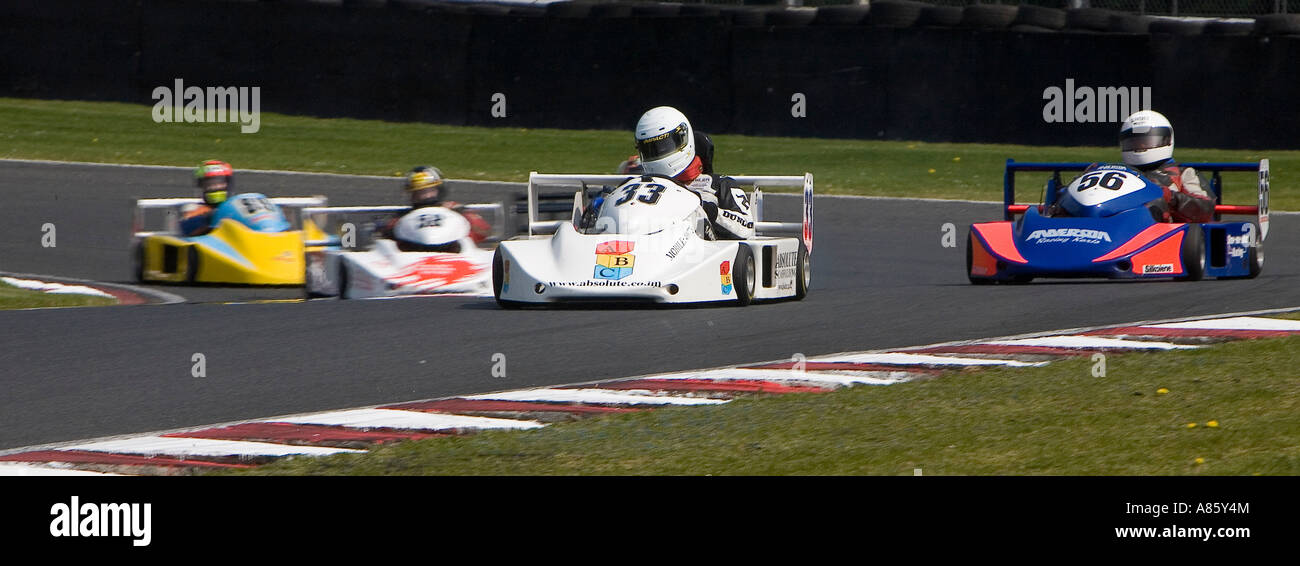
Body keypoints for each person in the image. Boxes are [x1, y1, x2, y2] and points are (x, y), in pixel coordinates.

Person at [628, 106, 754, 239]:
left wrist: (706, 209)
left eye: (664, 146)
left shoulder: (719, 185)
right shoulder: (638, 187)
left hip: (699, 253)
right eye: (650, 150)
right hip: (647, 248)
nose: (658, 154)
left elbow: (745, 228)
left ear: (682, 138)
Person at [1118, 110, 1214, 223]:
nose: (1141, 145)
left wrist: (1172, 197)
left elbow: (1205, 209)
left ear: (1167, 140)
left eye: (1146, 141)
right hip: (1120, 228)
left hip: (1164, 233)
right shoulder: (1120, 172)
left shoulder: (1185, 174)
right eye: (1134, 142)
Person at [377, 166, 492, 248]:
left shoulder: (455, 209)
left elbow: (483, 231)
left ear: (439, 190)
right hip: (414, 252)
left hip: (452, 250)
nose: (426, 195)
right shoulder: (403, 216)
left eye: (430, 190)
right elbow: (385, 235)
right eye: (420, 192)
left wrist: (462, 215)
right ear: (412, 194)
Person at [179, 160, 234, 236]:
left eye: (220, 183)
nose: (216, 186)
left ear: (227, 184)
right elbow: (187, 227)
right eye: (211, 184)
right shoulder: (194, 209)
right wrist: (210, 217)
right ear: (202, 186)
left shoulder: (233, 206)